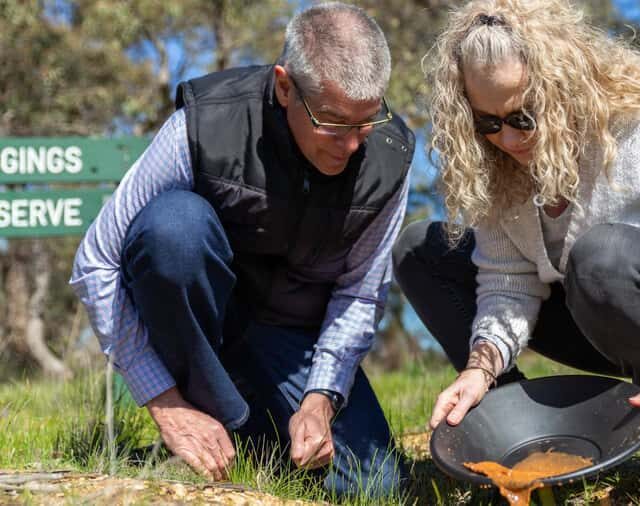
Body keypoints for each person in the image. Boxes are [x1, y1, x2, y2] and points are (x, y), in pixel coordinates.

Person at [392, 0, 640, 501]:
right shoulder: (498, 171)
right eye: (487, 123)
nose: (509, 139)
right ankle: (508, 425)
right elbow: (507, 283)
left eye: (523, 115)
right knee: (419, 248)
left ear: (562, 86)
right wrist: (481, 367)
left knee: (600, 254)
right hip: (597, 311)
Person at [70, 2, 414, 498]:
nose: (353, 146)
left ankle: (246, 436)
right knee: (172, 229)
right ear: (284, 86)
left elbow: (359, 294)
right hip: (203, 327)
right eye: (334, 124)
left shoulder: (389, 156)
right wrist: (165, 404)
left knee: (375, 487)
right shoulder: (205, 124)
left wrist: (319, 399)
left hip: (294, 341)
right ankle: (198, 414)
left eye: (366, 122)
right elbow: (97, 260)